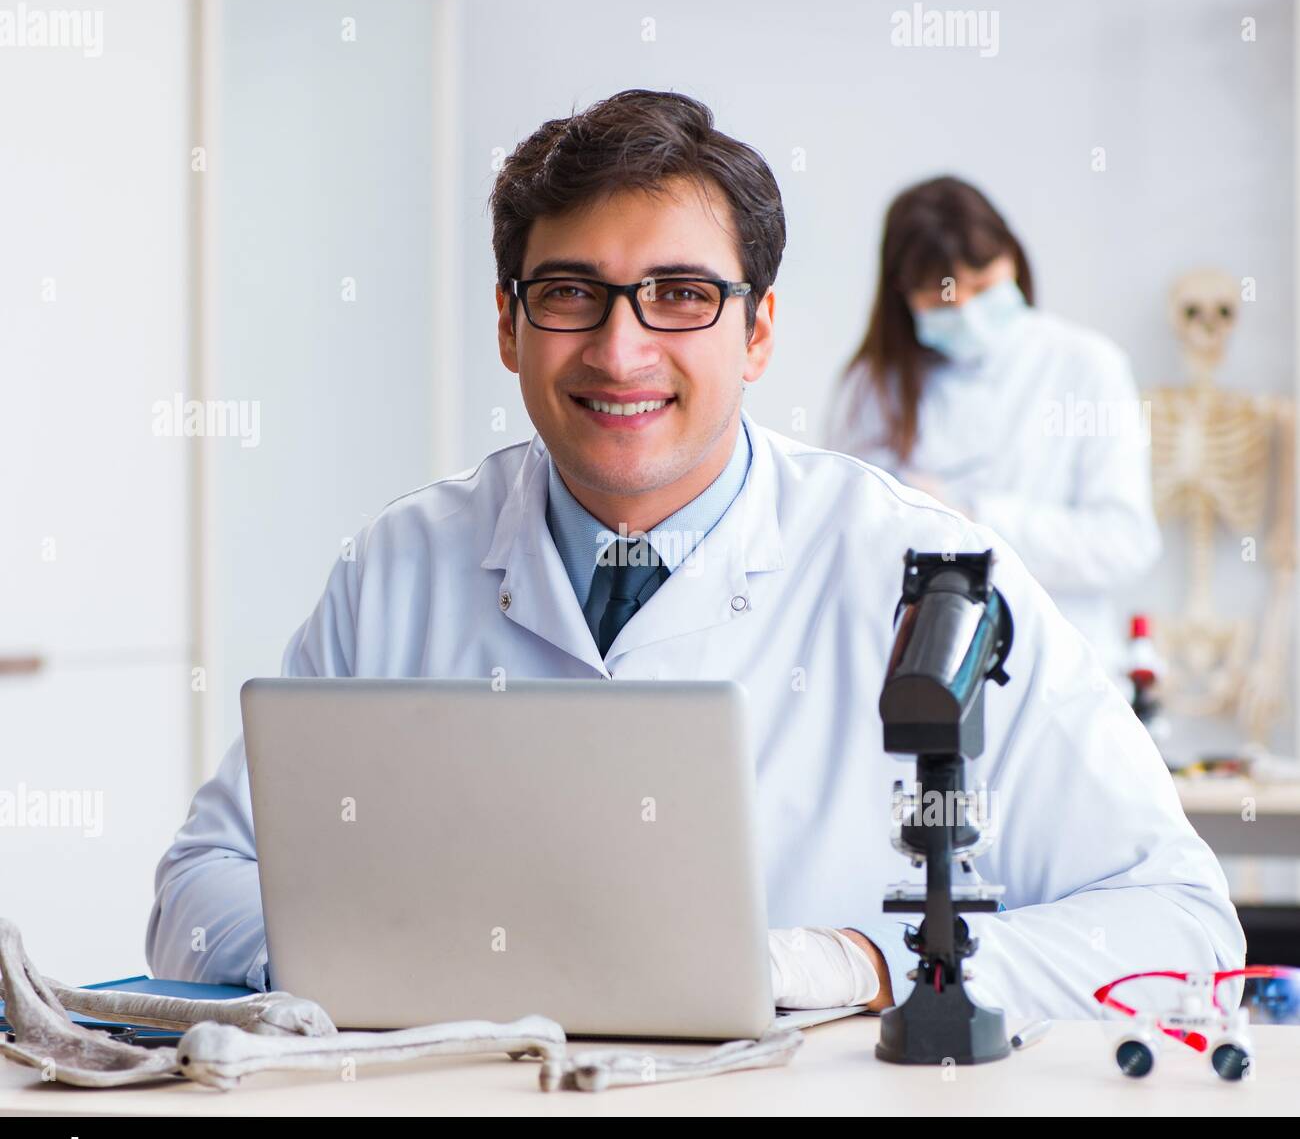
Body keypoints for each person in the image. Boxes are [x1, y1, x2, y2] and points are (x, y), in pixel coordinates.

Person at [147, 91, 1243, 1021]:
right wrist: (392, 963)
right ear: (507, 325)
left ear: (757, 330)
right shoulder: (397, 566)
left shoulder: (932, 568)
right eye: (569, 293)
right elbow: (198, 890)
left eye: (681, 295)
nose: (620, 351)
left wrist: (866, 967)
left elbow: (1183, 927)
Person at [829, 176, 1162, 679]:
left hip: (1064, 669)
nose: (966, 310)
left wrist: (970, 518)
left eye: (982, 287)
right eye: (943, 299)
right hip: (918, 667)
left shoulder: (1086, 365)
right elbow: (846, 539)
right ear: (903, 293)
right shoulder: (874, 385)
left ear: (1013, 258)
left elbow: (1124, 542)